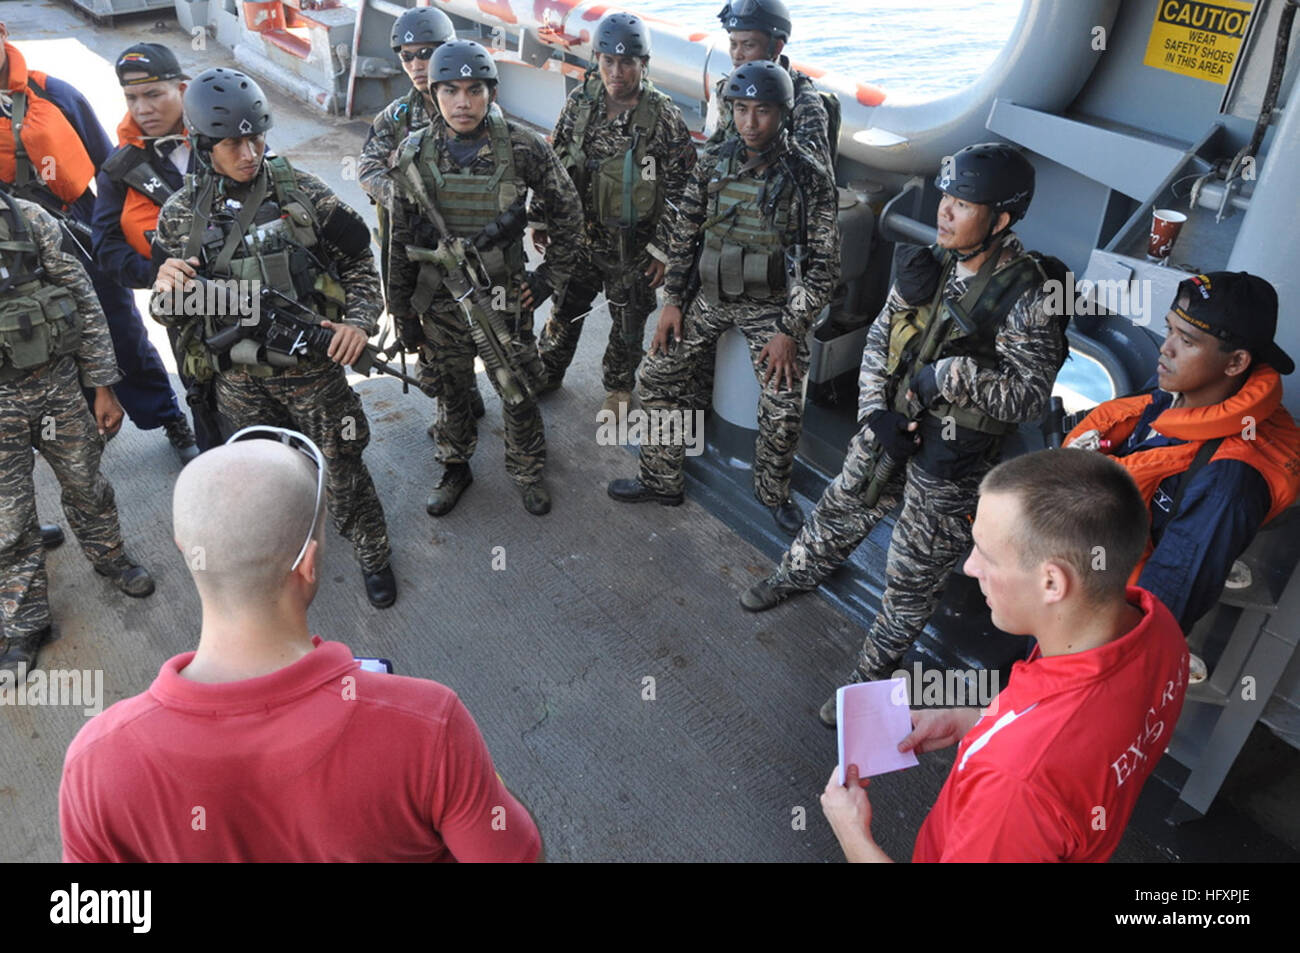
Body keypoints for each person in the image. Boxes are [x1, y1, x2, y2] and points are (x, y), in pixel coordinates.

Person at [59, 430, 544, 862]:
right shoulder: (428, 724)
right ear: (310, 564)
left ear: (186, 549)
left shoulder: (96, 763)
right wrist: (483, 784)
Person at [739, 143, 1069, 728]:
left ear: (1000, 220)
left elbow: (1027, 398)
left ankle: (868, 677)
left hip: (950, 461)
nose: (944, 212)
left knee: (912, 575)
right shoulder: (929, 264)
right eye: (945, 197)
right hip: (889, 428)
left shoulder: (1028, 296)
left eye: (962, 203)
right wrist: (872, 414)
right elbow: (877, 340)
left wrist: (951, 374)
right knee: (839, 508)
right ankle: (795, 573)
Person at [820, 449, 1189, 862]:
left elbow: (1034, 767)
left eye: (987, 554)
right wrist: (979, 721)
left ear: (1052, 582)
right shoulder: (1156, 627)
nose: (970, 567)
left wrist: (852, 834)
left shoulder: (1015, 784)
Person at [150, 68, 397, 609]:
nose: (249, 152)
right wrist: (168, 290)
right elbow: (170, 314)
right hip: (239, 379)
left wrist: (358, 321)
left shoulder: (301, 191)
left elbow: (359, 257)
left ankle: (373, 553)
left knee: (345, 468)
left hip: (314, 372)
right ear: (203, 145)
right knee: (261, 480)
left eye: (256, 137)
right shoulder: (178, 219)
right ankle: (277, 563)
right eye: (233, 143)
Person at [607, 61, 840, 536]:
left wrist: (789, 331)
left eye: (762, 111)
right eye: (740, 109)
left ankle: (773, 495)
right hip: (711, 295)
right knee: (657, 375)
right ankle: (661, 477)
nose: (750, 123)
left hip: (772, 308)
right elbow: (686, 231)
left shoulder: (809, 177)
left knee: (782, 400)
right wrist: (672, 300)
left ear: (784, 113)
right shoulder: (715, 161)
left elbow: (824, 267)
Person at [1064, 272, 1300, 680]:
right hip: (1071, 583)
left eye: (1187, 341)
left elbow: (1161, 610)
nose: (1166, 349)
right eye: (1168, 330)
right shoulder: (1167, 400)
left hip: (1095, 642)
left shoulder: (1229, 484)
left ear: (1237, 362)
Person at [387, 40, 586, 517]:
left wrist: (545, 281)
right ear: (433, 93)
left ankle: (527, 468)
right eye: (450, 90)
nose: (462, 102)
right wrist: (403, 314)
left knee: (516, 389)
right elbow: (399, 242)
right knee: (451, 390)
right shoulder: (412, 154)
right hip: (439, 300)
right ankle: (455, 465)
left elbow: (569, 213)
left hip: (502, 298)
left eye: (474, 90)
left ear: (491, 93)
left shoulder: (521, 147)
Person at [0, 23, 198, 463]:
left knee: (118, 330)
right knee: (35, 338)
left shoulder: (54, 94)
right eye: (134, 99)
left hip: (77, 227)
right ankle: (80, 431)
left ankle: (167, 416)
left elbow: (107, 160)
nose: (142, 108)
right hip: (10, 246)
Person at [0, 185, 155, 676]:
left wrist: (103, 386)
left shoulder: (27, 220)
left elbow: (84, 302)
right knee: (7, 520)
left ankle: (110, 557)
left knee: (87, 485)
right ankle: (25, 623)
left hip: (57, 390)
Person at [531, 11, 696, 416]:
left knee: (627, 326)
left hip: (633, 249)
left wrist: (661, 251)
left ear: (644, 65)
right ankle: (548, 370)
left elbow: (683, 190)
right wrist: (540, 217)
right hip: (580, 240)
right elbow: (553, 161)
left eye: (627, 63)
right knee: (565, 308)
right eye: (608, 61)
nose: (616, 72)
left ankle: (619, 386)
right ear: (597, 60)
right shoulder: (580, 103)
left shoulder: (664, 118)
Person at [356, 5, 485, 427]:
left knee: (482, 323)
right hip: (412, 245)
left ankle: (473, 393)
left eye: (426, 53)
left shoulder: (476, 108)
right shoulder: (395, 117)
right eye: (406, 55)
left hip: (471, 242)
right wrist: (405, 199)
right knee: (426, 331)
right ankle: (455, 409)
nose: (415, 64)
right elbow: (368, 168)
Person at [91, 42, 220, 453]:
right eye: (131, 98)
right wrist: (154, 274)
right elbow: (106, 247)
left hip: (249, 293)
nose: (142, 108)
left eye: (153, 94)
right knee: (204, 395)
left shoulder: (225, 136)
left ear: (182, 90)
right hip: (186, 311)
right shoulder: (120, 168)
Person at [707, 0, 834, 169]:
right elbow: (720, 140)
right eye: (733, 44)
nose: (737, 55)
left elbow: (816, 174)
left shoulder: (803, 101)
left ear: (776, 48)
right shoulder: (729, 88)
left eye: (749, 45)